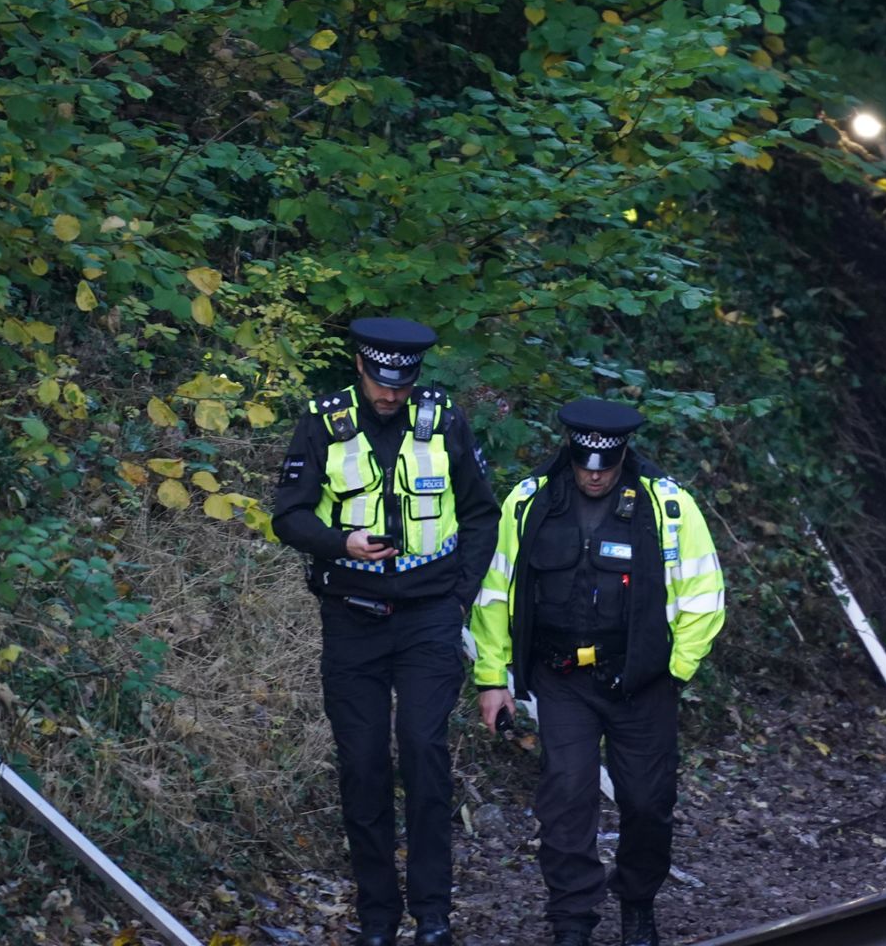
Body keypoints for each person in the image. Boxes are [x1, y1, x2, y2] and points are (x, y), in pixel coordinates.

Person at [270, 317, 500, 946]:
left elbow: (482, 513)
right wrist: (339, 542)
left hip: (429, 617)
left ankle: (432, 915)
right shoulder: (323, 420)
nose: (390, 395)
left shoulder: (444, 419)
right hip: (351, 620)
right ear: (360, 367)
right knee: (364, 765)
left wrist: (458, 598)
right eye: (380, 381)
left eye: (402, 384)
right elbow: (286, 516)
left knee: (424, 754)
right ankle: (377, 918)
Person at [468, 398, 725, 946]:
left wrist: (674, 672)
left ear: (622, 455)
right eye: (585, 464)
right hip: (561, 678)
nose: (593, 475)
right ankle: (572, 921)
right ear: (570, 452)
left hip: (643, 680)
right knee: (566, 795)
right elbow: (495, 594)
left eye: (603, 467)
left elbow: (704, 596)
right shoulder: (530, 502)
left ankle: (637, 903)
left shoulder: (668, 505)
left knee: (648, 803)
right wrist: (493, 679)